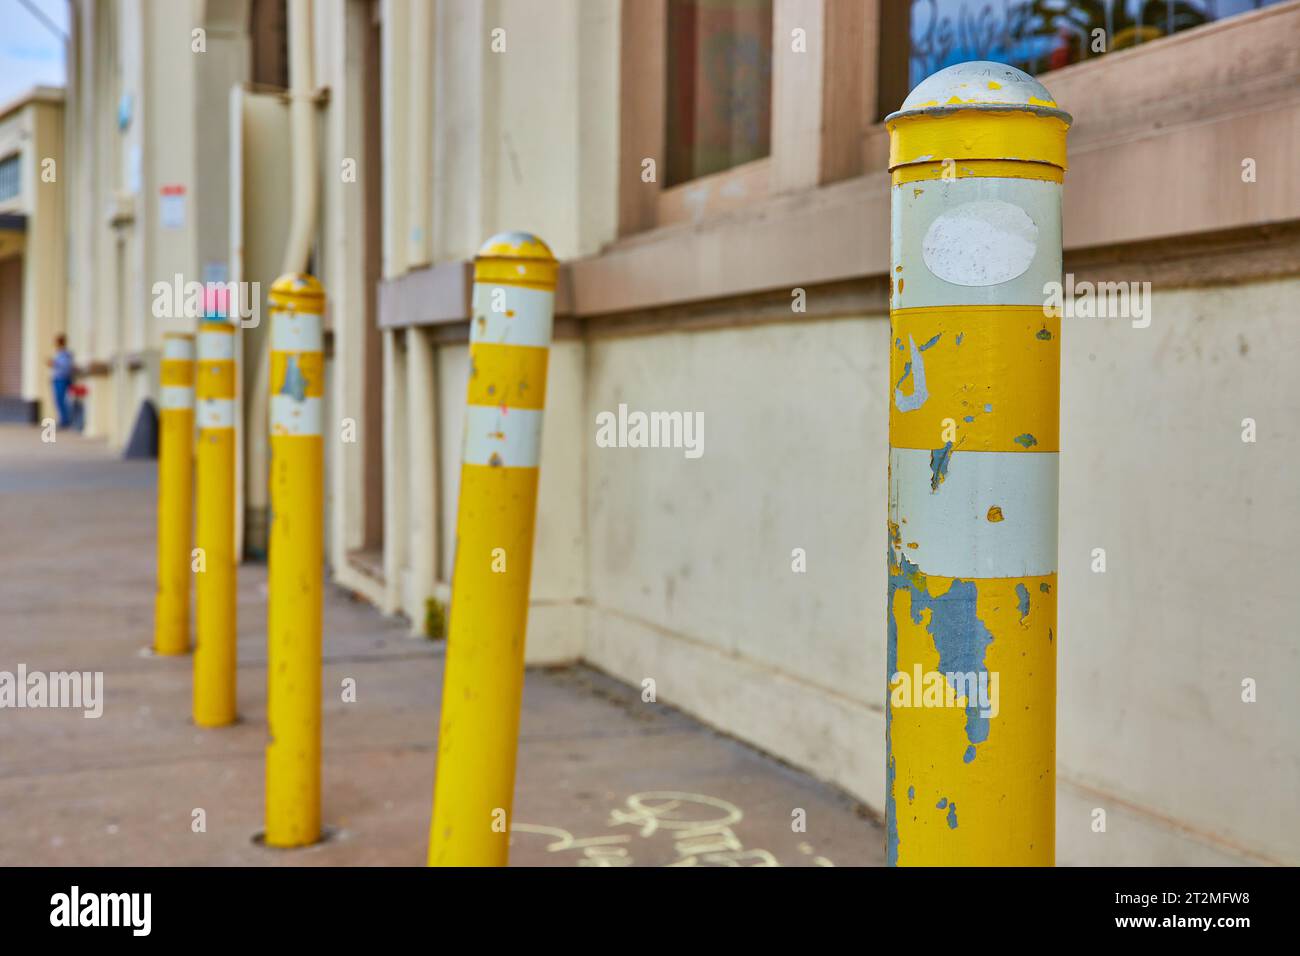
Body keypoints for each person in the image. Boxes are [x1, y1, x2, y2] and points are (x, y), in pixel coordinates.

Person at [48, 334, 75, 428]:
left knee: (61, 400)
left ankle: (65, 421)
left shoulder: (65, 354)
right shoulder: (59, 353)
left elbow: (66, 367)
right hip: (57, 379)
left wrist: (55, 363)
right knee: (58, 400)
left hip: (62, 379)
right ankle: (63, 419)